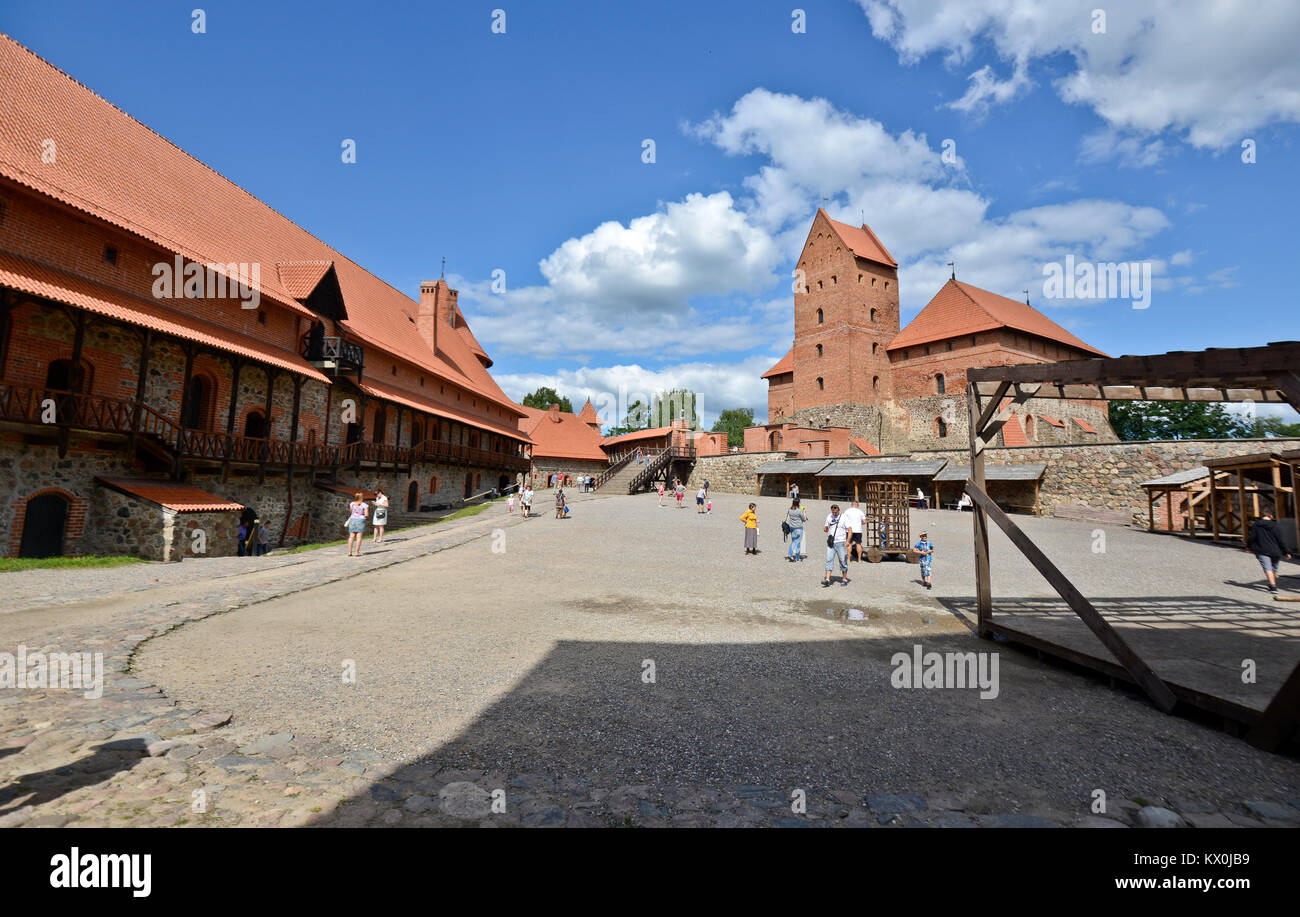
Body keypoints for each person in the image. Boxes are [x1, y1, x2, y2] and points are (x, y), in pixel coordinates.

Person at [1246, 512, 1291, 594]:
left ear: (1262, 516)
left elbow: (1252, 537)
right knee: (1273, 569)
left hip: (1262, 550)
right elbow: (1281, 540)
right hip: (1275, 551)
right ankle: (1272, 584)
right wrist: (1286, 552)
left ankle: (1273, 587)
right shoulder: (1276, 525)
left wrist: (1248, 546)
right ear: (1271, 516)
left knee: (1267, 568)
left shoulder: (1256, 525)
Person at [822, 504, 849, 587]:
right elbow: (826, 527)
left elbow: (850, 530)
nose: (834, 513)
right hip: (831, 542)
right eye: (833, 511)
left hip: (841, 542)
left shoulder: (844, 517)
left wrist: (848, 541)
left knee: (842, 561)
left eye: (835, 511)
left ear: (838, 510)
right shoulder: (829, 516)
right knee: (829, 559)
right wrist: (826, 529)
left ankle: (844, 579)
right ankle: (827, 579)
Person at [346, 492, 368, 557]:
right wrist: (364, 516)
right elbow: (366, 514)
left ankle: (349, 552)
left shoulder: (352, 504)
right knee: (359, 537)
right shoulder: (364, 505)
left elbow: (351, 511)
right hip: (360, 520)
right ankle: (356, 552)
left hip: (352, 520)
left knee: (351, 537)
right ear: (361, 497)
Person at [786, 497, 808, 562]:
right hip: (798, 528)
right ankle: (797, 557)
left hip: (792, 527)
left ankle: (790, 554)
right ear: (798, 503)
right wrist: (804, 513)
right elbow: (804, 519)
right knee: (798, 543)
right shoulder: (799, 511)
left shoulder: (789, 510)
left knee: (793, 542)